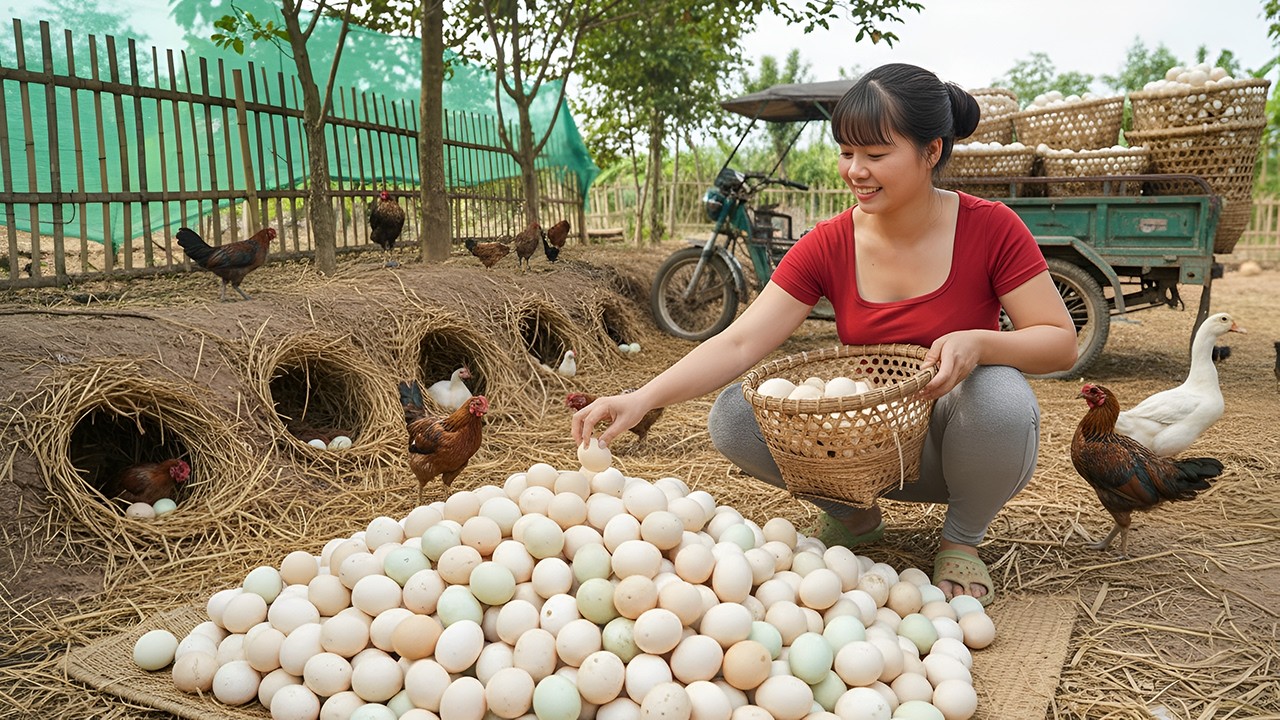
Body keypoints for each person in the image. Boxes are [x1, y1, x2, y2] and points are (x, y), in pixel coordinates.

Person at [571, 63, 1077, 606]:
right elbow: (740, 342)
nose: (855, 170)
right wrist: (642, 398)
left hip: (963, 448)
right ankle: (854, 514)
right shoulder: (829, 243)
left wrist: (980, 343)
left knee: (998, 395)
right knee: (737, 415)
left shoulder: (991, 227)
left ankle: (961, 539)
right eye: (846, 152)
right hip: (870, 448)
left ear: (932, 151)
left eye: (876, 155)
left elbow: (1059, 341)